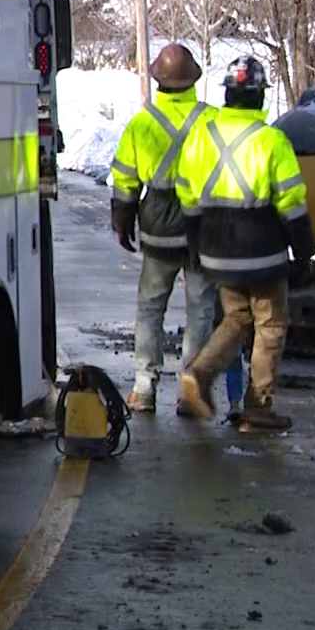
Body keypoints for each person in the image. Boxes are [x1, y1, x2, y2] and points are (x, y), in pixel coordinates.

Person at [173, 54, 315, 432]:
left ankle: (199, 375)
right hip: (262, 253)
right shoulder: (272, 141)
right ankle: (258, 408)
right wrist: (304, 252)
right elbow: (292, 204)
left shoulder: (202, 135)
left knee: (236, 317)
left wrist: (195, 244)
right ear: (259, 97)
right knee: (271, 323)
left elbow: (186, 196)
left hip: (217, 250)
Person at [110, 43, 245, 416]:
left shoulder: (142, 124)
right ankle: (191, 387)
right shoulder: (211, 120)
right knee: (201, 308)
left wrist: (122, 223)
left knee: (151, 307)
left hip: (158, 226)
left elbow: (125, 180)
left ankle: (143, 387)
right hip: (201, 226)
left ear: (158, 81)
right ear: (192, 80)